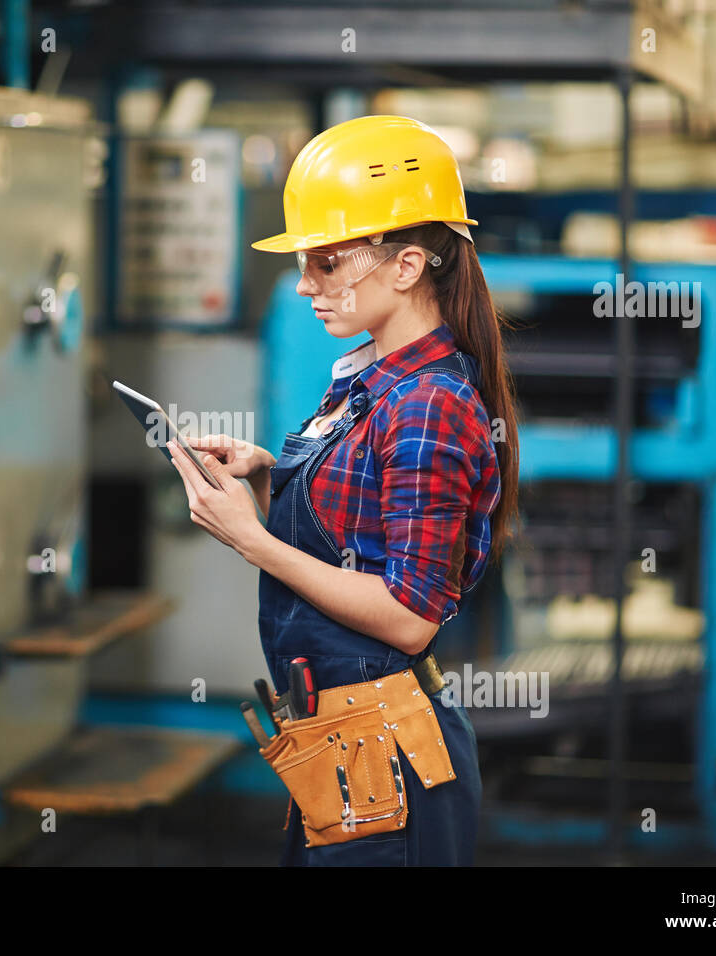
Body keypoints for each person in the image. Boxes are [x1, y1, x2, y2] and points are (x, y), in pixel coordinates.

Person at [167, 115, 519, 866]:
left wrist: (251, 539)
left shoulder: (428, 401)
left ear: (406, 266)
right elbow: (362, 532)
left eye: (327, 263)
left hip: (387, 753)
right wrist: (266, 475)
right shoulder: (371, 381)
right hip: (339, 741)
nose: (305, 286)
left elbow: (409, 618)